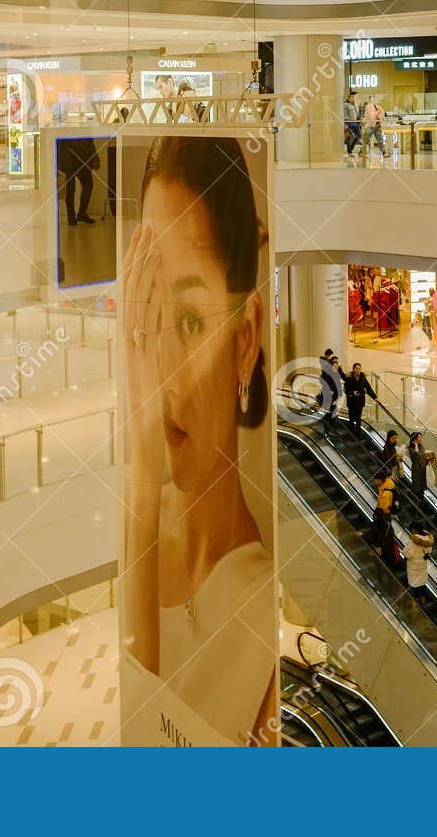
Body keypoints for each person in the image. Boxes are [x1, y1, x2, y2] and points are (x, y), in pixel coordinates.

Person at [120, 136, 278, 745]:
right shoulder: (139, 525)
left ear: (245, 339)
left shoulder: (264, 611)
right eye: (148, 315)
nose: (160, 369)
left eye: (188, 322)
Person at [58, 136, 98, 225]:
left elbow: (89, 140)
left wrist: (94, 157)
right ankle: (74, 216)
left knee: (87, 185)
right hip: (69, 158)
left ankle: (79, 214)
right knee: (72, 188)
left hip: (79, 157)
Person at [343, 362, 377, 431]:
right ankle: (352, 432)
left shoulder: (363, 378)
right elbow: (345, 389)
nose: (358, 370)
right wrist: (353, 392)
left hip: (360, 401)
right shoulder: (349, 378)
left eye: (359, 369)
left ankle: (358, 432)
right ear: (353, 369)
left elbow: (368, 388)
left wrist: (375, 397)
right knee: (351, 418)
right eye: (356, 369)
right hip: (352, 401)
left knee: (358, 418)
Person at [408, 431, 434, 503]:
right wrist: (416, 444)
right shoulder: (411, 448)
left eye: (420, 437)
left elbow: (422, 456)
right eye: (419, 437)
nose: (421, 438)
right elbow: (416, 454)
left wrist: (428, 458)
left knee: (422, 486)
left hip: (423, 469)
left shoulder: (421, 446)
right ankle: (414, 500)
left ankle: (421, 501)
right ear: (415, 439)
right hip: (416, 470)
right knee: (416, 486)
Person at [343, 90, 362, 160]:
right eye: (353, 96)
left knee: (359, 136)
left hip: (355, 123)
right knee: (350, 138)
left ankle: (351, 149)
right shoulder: (345, 105)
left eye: (355, 97)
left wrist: (359, 121)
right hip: (349, 123)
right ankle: (349, 152)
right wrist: (346, 124)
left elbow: (357, 114)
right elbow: (345, 115)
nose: (354, 98)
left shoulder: (355, 105)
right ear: (350, 97)